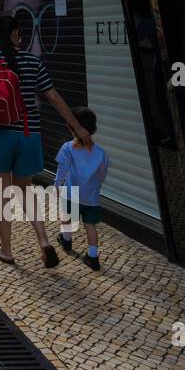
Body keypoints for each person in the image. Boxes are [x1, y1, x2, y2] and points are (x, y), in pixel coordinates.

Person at [0, 12, 91, 268]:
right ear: (16, 33)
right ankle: (44, 241)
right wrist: (77, 127)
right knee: (25, 190)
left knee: (3, 194)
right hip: (29, 134)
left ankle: (6, 250)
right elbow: (54, 97)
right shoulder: (32, 60)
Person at [54, 106, 110, 271]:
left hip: (72, 193)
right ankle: (92, 257)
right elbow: (102, 174)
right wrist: (97, 185)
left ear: (73, 128)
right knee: (90, 225)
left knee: (67, 217)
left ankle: (67, 240)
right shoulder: (101, 153)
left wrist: (57, 186)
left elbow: (62, 170)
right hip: (91, 196)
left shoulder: (68, 148)